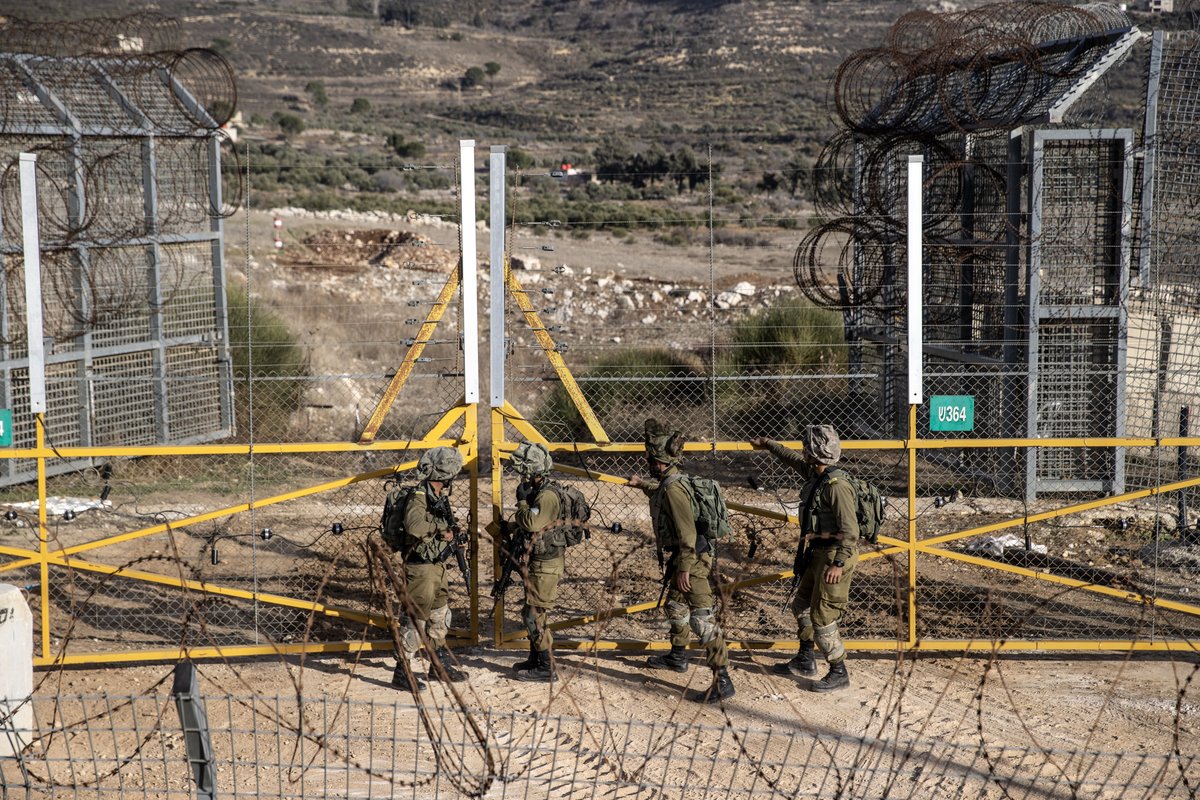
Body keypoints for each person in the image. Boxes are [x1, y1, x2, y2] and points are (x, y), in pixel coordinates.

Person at [629, 419, 735, 704]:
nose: (647, 461)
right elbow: (661, 494)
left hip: (693, 559)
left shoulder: (674, 489)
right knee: (675, 606)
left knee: (702, 619)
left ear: (660, 461)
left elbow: (687, 531)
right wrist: (642, 486)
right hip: (684, 557)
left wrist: (685, 567)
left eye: (650, 458)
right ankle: (677, 656)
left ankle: (722, 680)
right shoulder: (670, 481)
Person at [750, 425, 858, 692]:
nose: (803, 451)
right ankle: (806, 658)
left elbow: (851, 530)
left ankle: (838, 670)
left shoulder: (836, 486)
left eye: (806, 447)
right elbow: (790, 458)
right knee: (801, 605)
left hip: (835, 556)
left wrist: (839, 563)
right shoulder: (817, 474)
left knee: (823, 615)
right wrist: (768, 442)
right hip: (818, 553)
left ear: (815, 452)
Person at [391, 446, 468, 692]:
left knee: (439, 616)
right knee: (415, 620)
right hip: (420, 568)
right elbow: (414, 526)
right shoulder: (419, 496)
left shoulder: (437, 497)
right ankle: (402, 671)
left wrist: (454, 537)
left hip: (436, 566)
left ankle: (438, 665)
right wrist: (439, 529)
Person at [508, 441, 567, 683]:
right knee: (532, 612)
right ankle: (536, 658)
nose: (521, 477)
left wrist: (521, 503)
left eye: (523, 472)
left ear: (533, 471)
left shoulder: (548, 495)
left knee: (534, 615)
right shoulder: (541, 492)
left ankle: (546, 666)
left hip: (546, 565)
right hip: (539, 562)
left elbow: (533, 523)